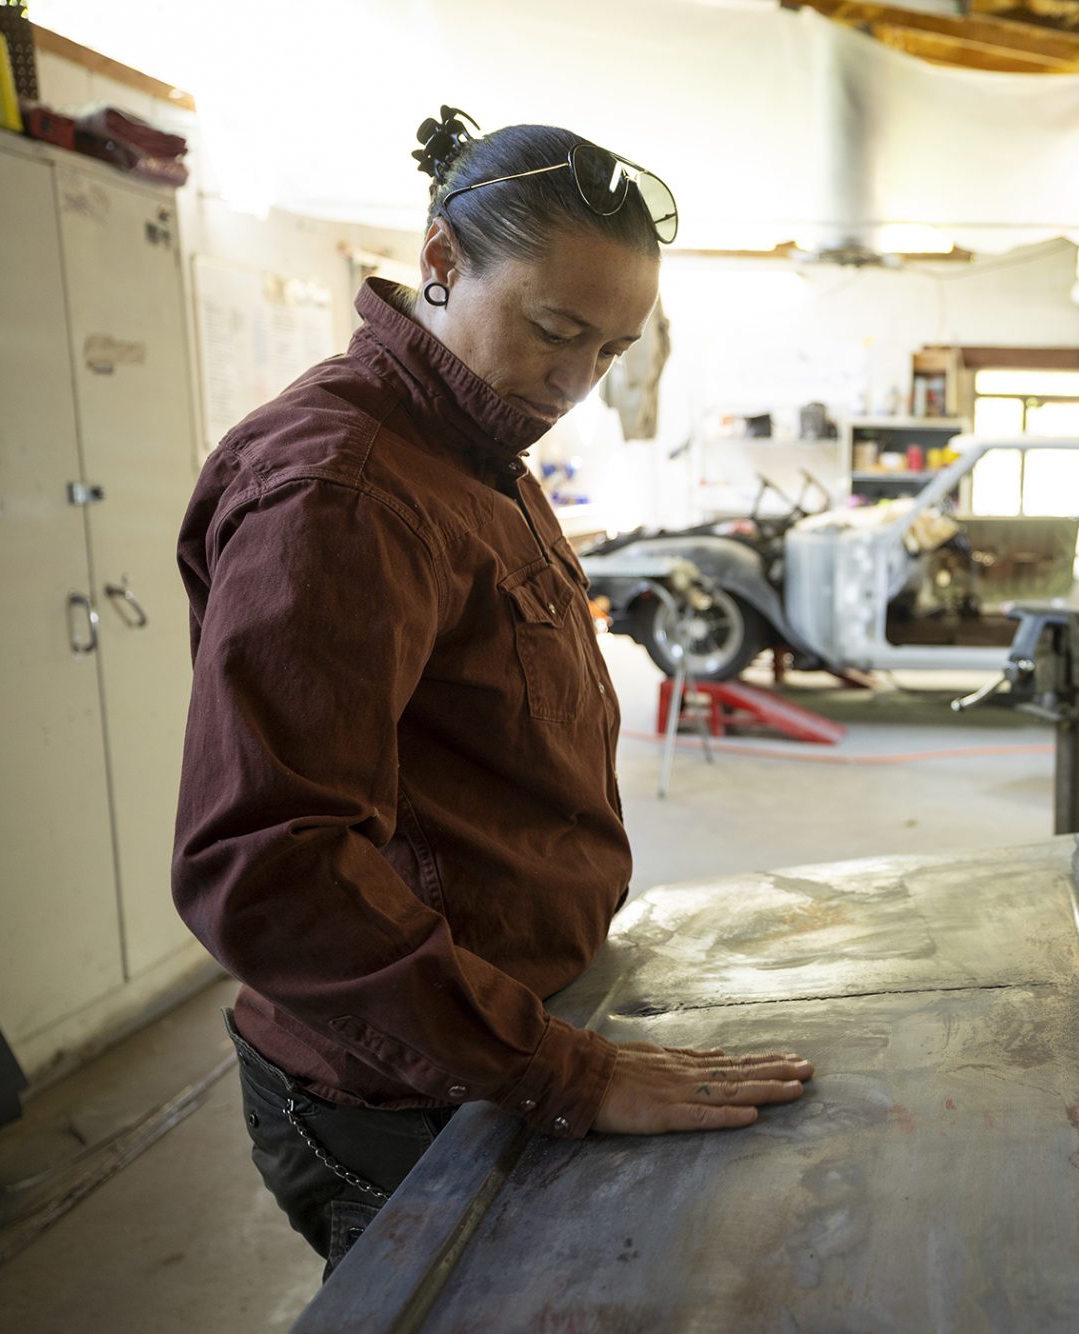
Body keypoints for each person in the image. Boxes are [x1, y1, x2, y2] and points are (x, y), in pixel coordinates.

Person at [172, 109, 812, 1278]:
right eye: (554, 329)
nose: (574, 381)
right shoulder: (344, 490)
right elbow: (269, 866)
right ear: (439, 260)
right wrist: (565, 1071)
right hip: (403, 1083)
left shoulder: (475, 447)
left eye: (610, 351)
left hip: (499, 1026)